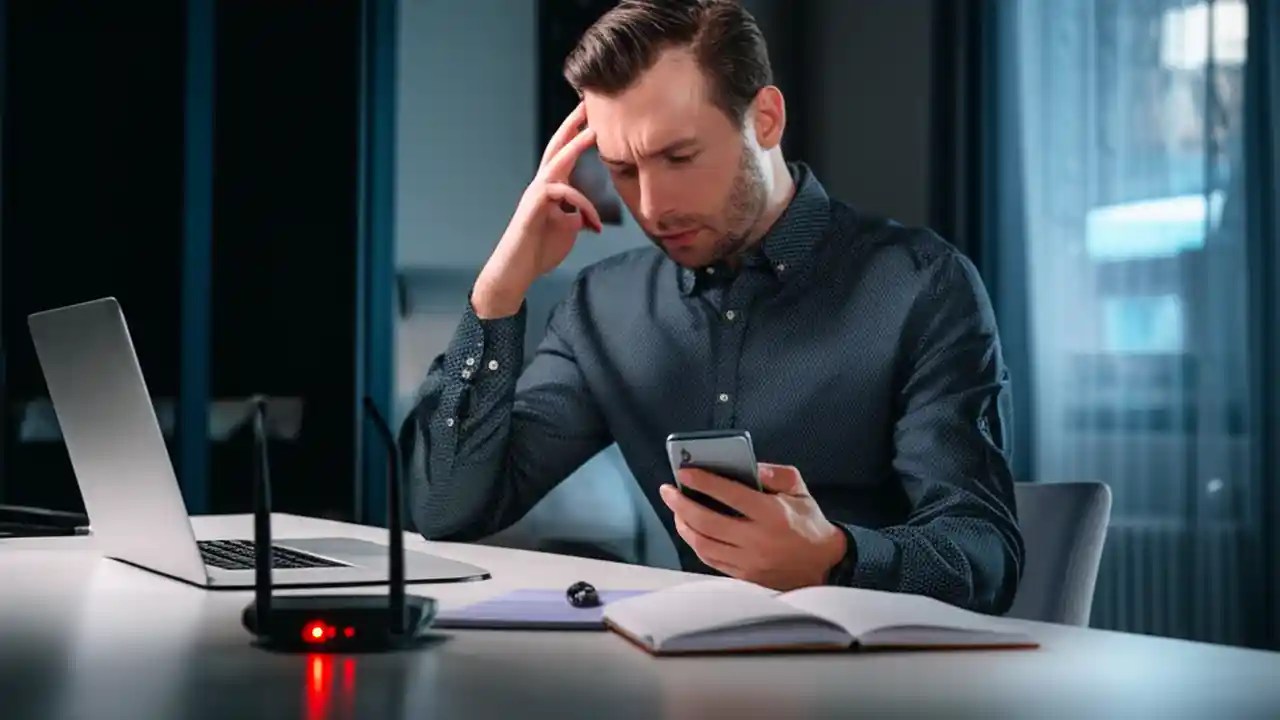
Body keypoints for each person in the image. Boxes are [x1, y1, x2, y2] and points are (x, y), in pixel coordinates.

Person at [401, 0, 1023, 614]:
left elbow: (985, 555)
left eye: (679, 157)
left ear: (766, 120)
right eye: (622, 169)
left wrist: (835, 557)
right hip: (685, 662)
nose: (652, 206)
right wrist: (498, 291)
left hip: (891, 667)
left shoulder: (921, 285)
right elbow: (446, 510)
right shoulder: (604, 309)